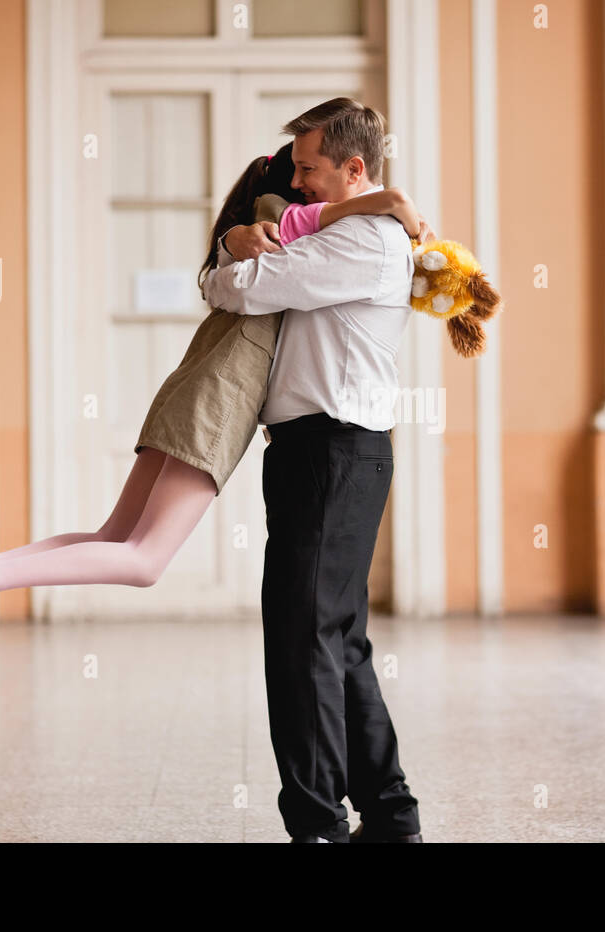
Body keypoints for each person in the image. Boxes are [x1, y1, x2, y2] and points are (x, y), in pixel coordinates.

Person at [0, 138, 429, 629]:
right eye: (302, 175)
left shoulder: (261, 226)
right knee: (145, 560)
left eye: (308, 170)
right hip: (216, 402)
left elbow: (294, 232)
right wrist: (388, 200)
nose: (307, 182)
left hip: (189, 393)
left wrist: (376, 204)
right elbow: (312, 218)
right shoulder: (277, 220)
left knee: (113, 536)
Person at [202, 97, 424, 843]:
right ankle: (391, 819)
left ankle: (318, 825)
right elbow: (231, 272)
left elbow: (240, 288)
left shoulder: (365, 237)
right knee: (335, 640)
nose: (295, 183)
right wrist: (236, 246)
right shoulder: (341, 227)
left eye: (308, 168)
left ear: (353, 169)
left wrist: (235, 253)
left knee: (303, 643)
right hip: (316, 452)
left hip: (336, 451)